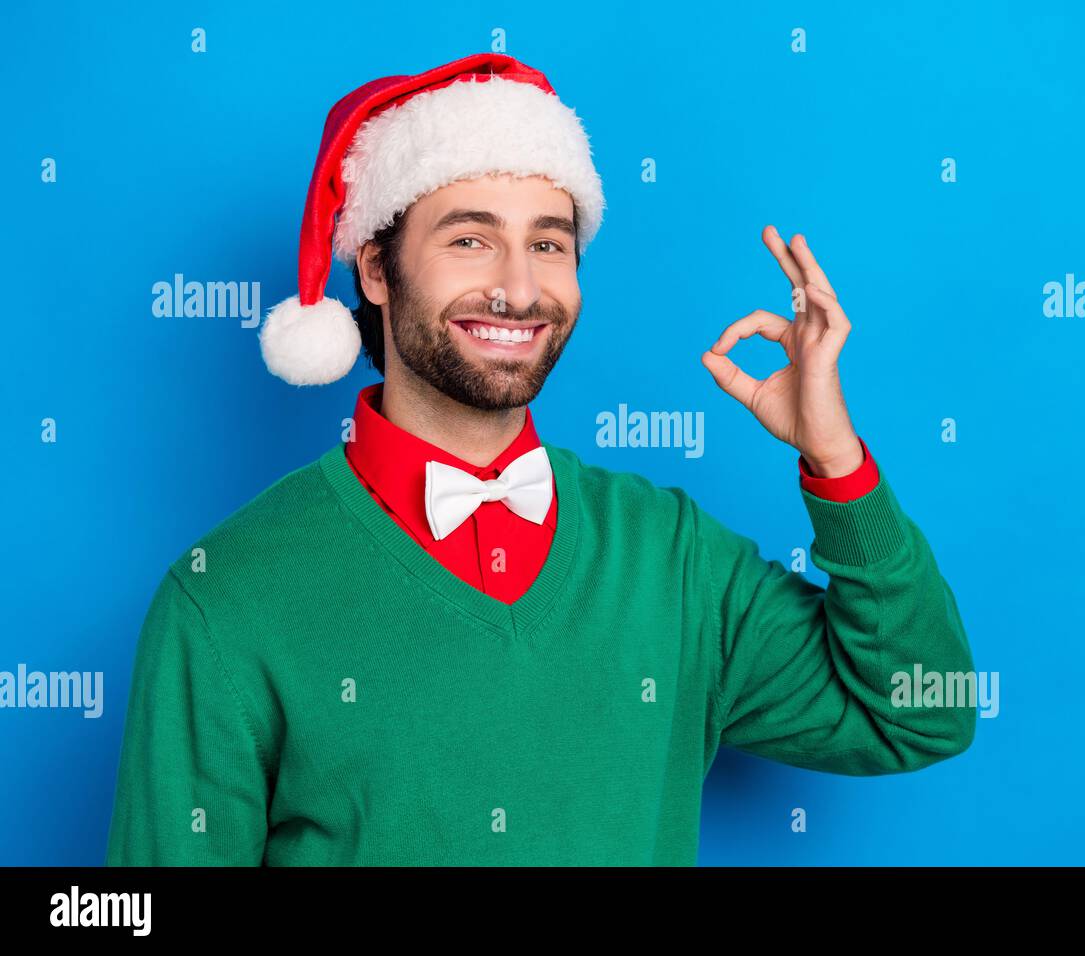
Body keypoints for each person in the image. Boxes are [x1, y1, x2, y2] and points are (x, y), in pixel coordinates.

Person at [105, 52, 975, 866]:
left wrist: (836, 461)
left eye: (549, 243)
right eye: (470, 239)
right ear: (374, 268)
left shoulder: (672, 557)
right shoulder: (225, 596)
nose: (520, 289)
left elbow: (916, 712)